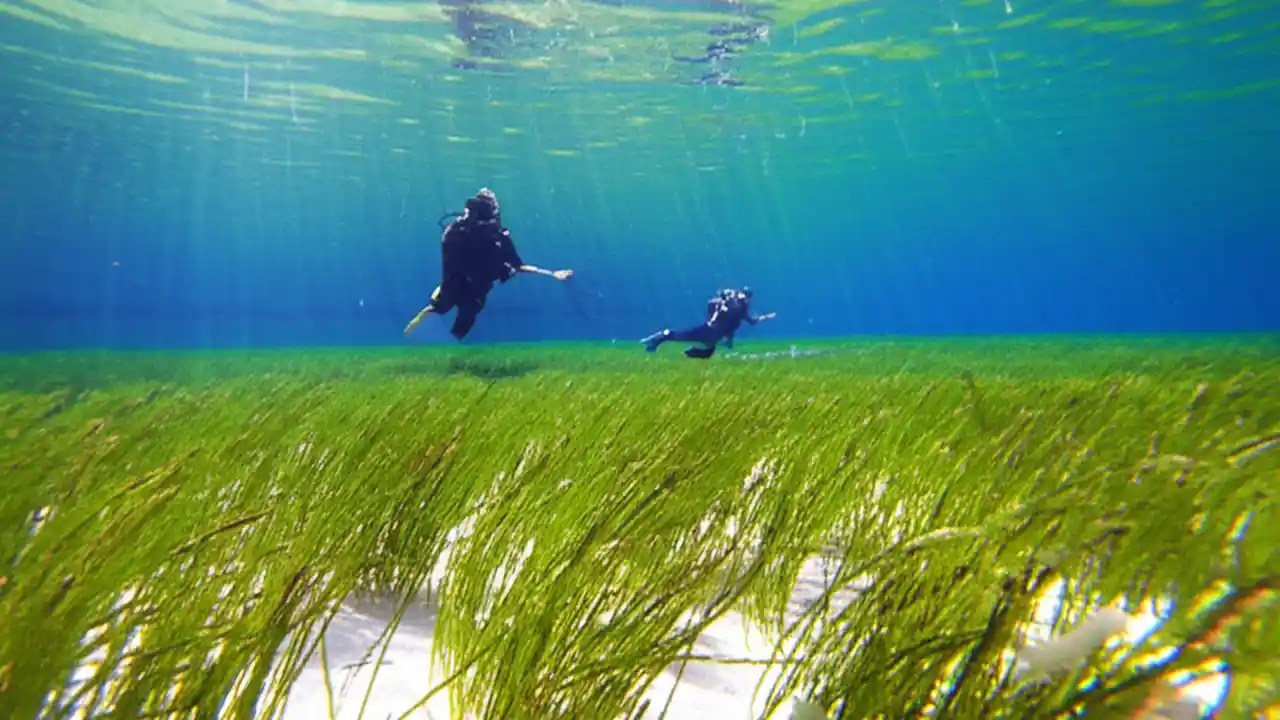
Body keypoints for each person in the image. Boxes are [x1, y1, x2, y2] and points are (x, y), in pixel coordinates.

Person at [404, 188, 573, 340]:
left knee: (462, 326)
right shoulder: (458, 231)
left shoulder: (497, 237)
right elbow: (450, 258)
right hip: (455, 285)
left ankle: (443, 346)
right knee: (440, 307)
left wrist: (552, 274)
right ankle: (427, 315)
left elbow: (518, 265)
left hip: (475, 289)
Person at [641, 287, 775, 359]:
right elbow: (749, 321)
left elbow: (736, 322)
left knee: (705, 349)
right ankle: (656, 340)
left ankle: (657, 343)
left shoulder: (732, 306)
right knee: (679, 336)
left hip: (711, 332)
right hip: (710, 332)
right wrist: (765, 317)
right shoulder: (735, 306)